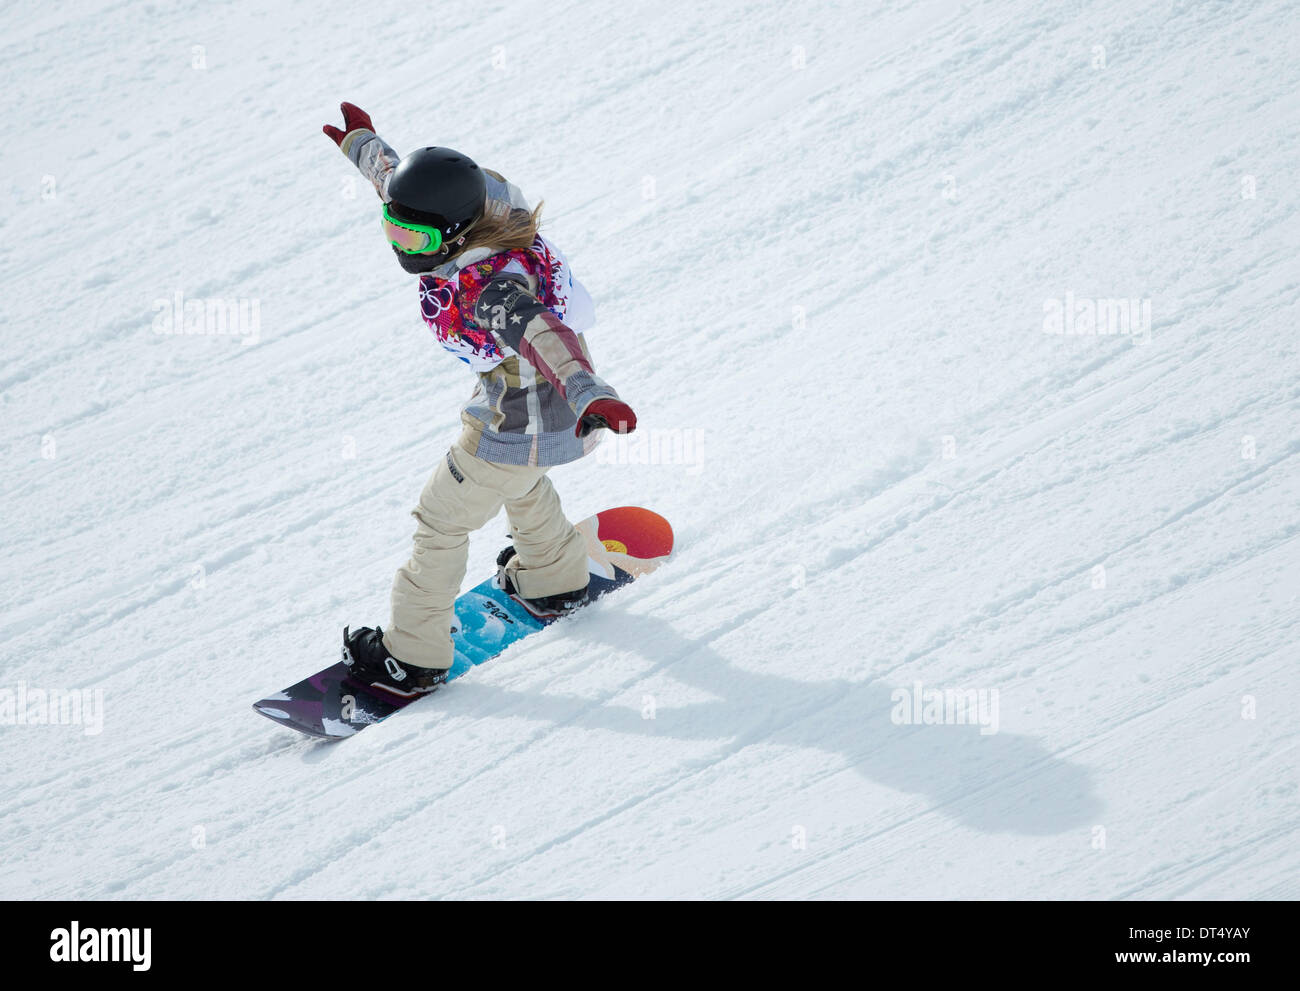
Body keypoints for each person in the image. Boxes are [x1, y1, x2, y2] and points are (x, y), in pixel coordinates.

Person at [322, 102, 637, 698]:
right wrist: (363, 143)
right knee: (521, 480)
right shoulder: (468, 210)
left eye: (411, 236)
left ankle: (411, 657)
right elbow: (397, 182)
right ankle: (555, 579)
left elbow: (543, 333)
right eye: (392, 230)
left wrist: (590, 390)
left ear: (457, 236)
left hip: (531, 409)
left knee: (441, 521)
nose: (401, 246)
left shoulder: (493, 288)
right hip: (538, 418)